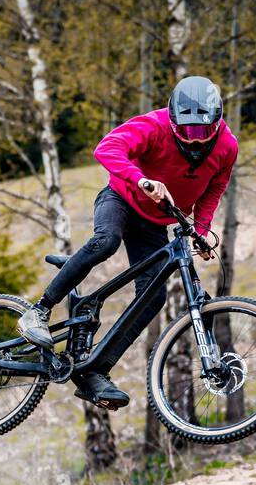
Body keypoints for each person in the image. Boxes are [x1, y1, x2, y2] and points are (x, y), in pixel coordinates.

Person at [16, 75, 237, 409]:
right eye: (188, 132)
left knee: (154, 296)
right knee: (106, 241)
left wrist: (202, 230)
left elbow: (214, 188)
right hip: (120, 200)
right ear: (174, 119)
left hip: (155, 223)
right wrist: (142, 179)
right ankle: (38, 311)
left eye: (202, 132)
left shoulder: (227, 148)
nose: (195, 141)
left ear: (217, 122)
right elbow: (106, 148)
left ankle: (95, 373)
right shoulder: (153, 125)